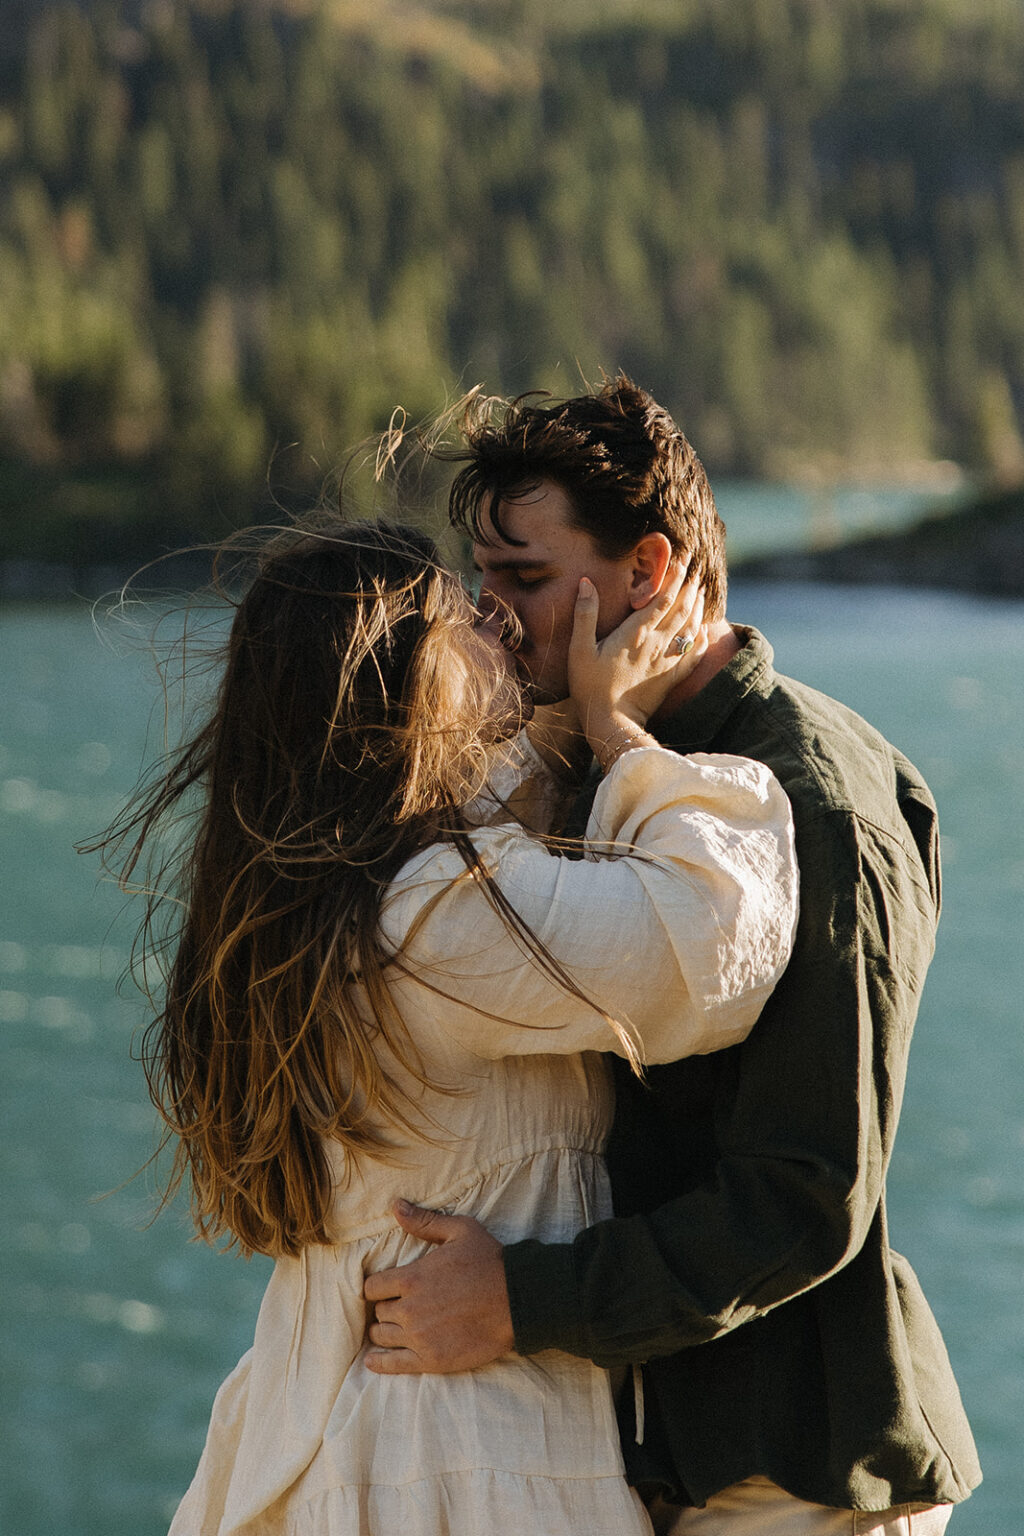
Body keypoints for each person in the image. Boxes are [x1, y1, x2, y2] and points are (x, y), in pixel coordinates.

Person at [362, 380, 983, 1535]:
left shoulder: (816, 801)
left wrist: (519, 1301)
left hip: (793, 1481)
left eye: (526, 578)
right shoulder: (594, 760)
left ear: (646, 575)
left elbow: (806, 1196)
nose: (487, 615)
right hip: (683, 1459)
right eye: (481, 577)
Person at [98, 518, 799, 1536]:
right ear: (403, 679)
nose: (498, 626)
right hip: (455, 1454)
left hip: (329, 1422)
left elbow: (501, 812)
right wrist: (617, 731)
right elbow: (708, 941)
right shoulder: (434, 914)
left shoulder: (327, 895)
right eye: (463, 619)